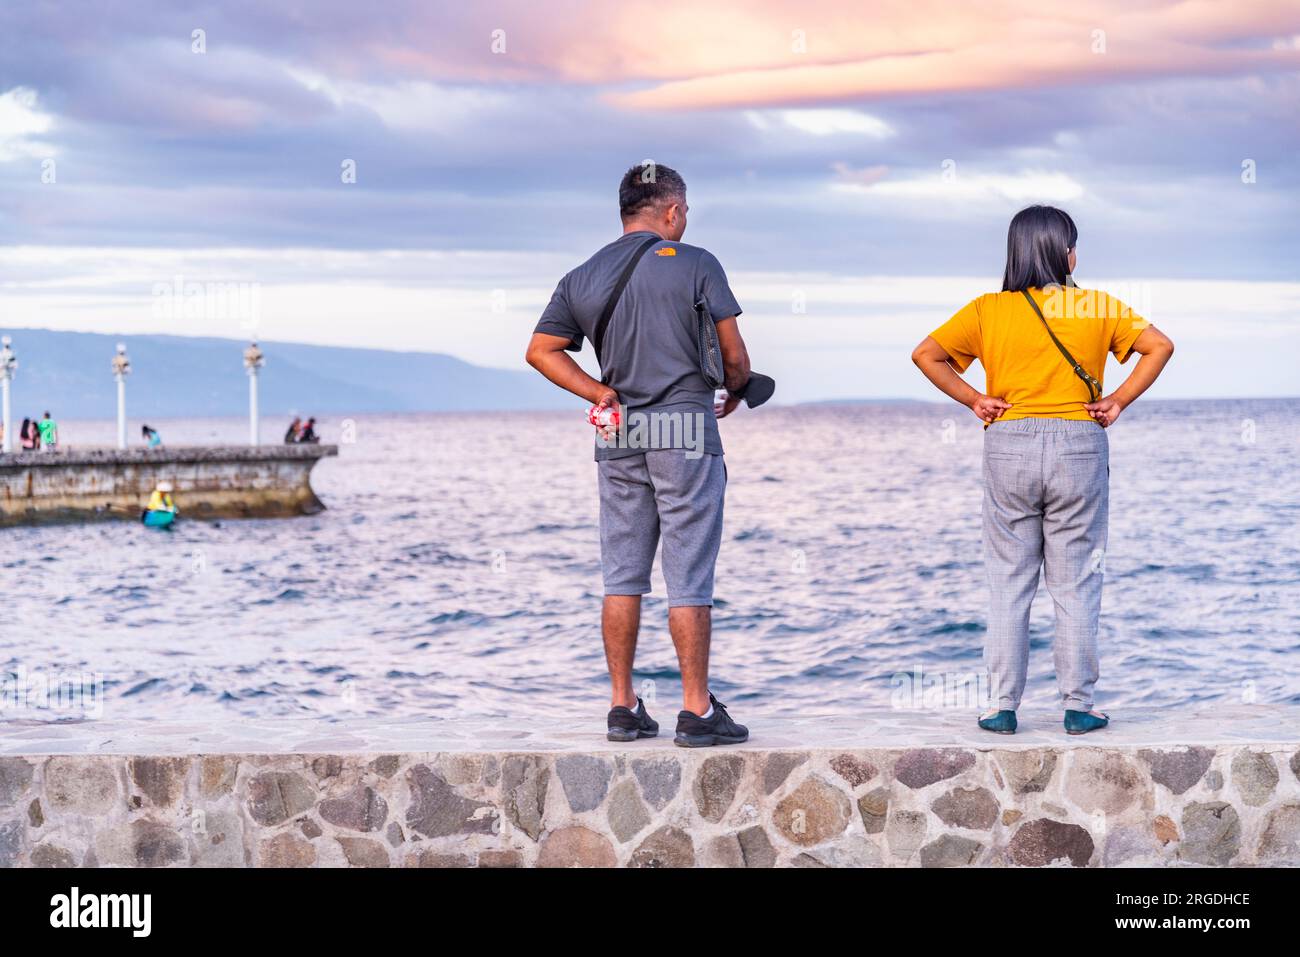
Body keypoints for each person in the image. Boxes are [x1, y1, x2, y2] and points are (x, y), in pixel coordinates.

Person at [911, 205, 1174, 736]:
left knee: (1009, 582)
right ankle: (1078, 706)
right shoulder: (1098, 306)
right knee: (1075, 583)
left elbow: (926, 355)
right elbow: (1159, 346)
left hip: (1009, 440)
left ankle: (1001, 706)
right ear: (1066, 252)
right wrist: (1117, 400)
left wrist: (975, 401)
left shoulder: (987, 310)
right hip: (1079, 441)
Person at [526, 162, 758, 747]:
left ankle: (622, 706)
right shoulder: (698, 263)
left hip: (618, 431)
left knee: (622, 574)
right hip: (685, 427)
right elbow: (734, 356)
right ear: (673, 211)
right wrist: (734, 386)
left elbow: (541, 351)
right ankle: (696, 710)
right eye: (685, 212)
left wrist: (599, 391)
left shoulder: (580, 276)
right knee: (689, 577)